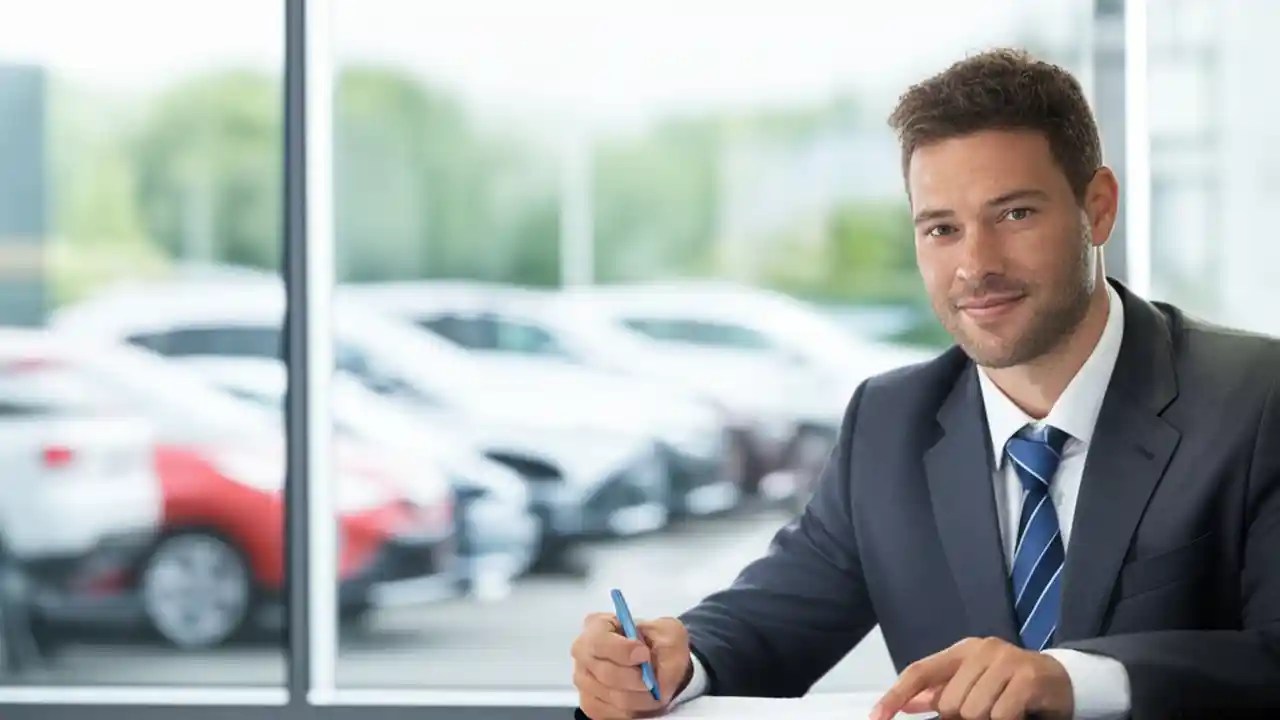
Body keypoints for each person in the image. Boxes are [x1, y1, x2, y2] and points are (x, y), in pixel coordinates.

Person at [570, 48, 1280, 720]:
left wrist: (1077, 678)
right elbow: (767, 623)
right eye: (941, 229)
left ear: (1097, 207)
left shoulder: (1255, 399)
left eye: (1015, 214)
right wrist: (671, 660)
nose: (976, 264)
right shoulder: (891, 421)